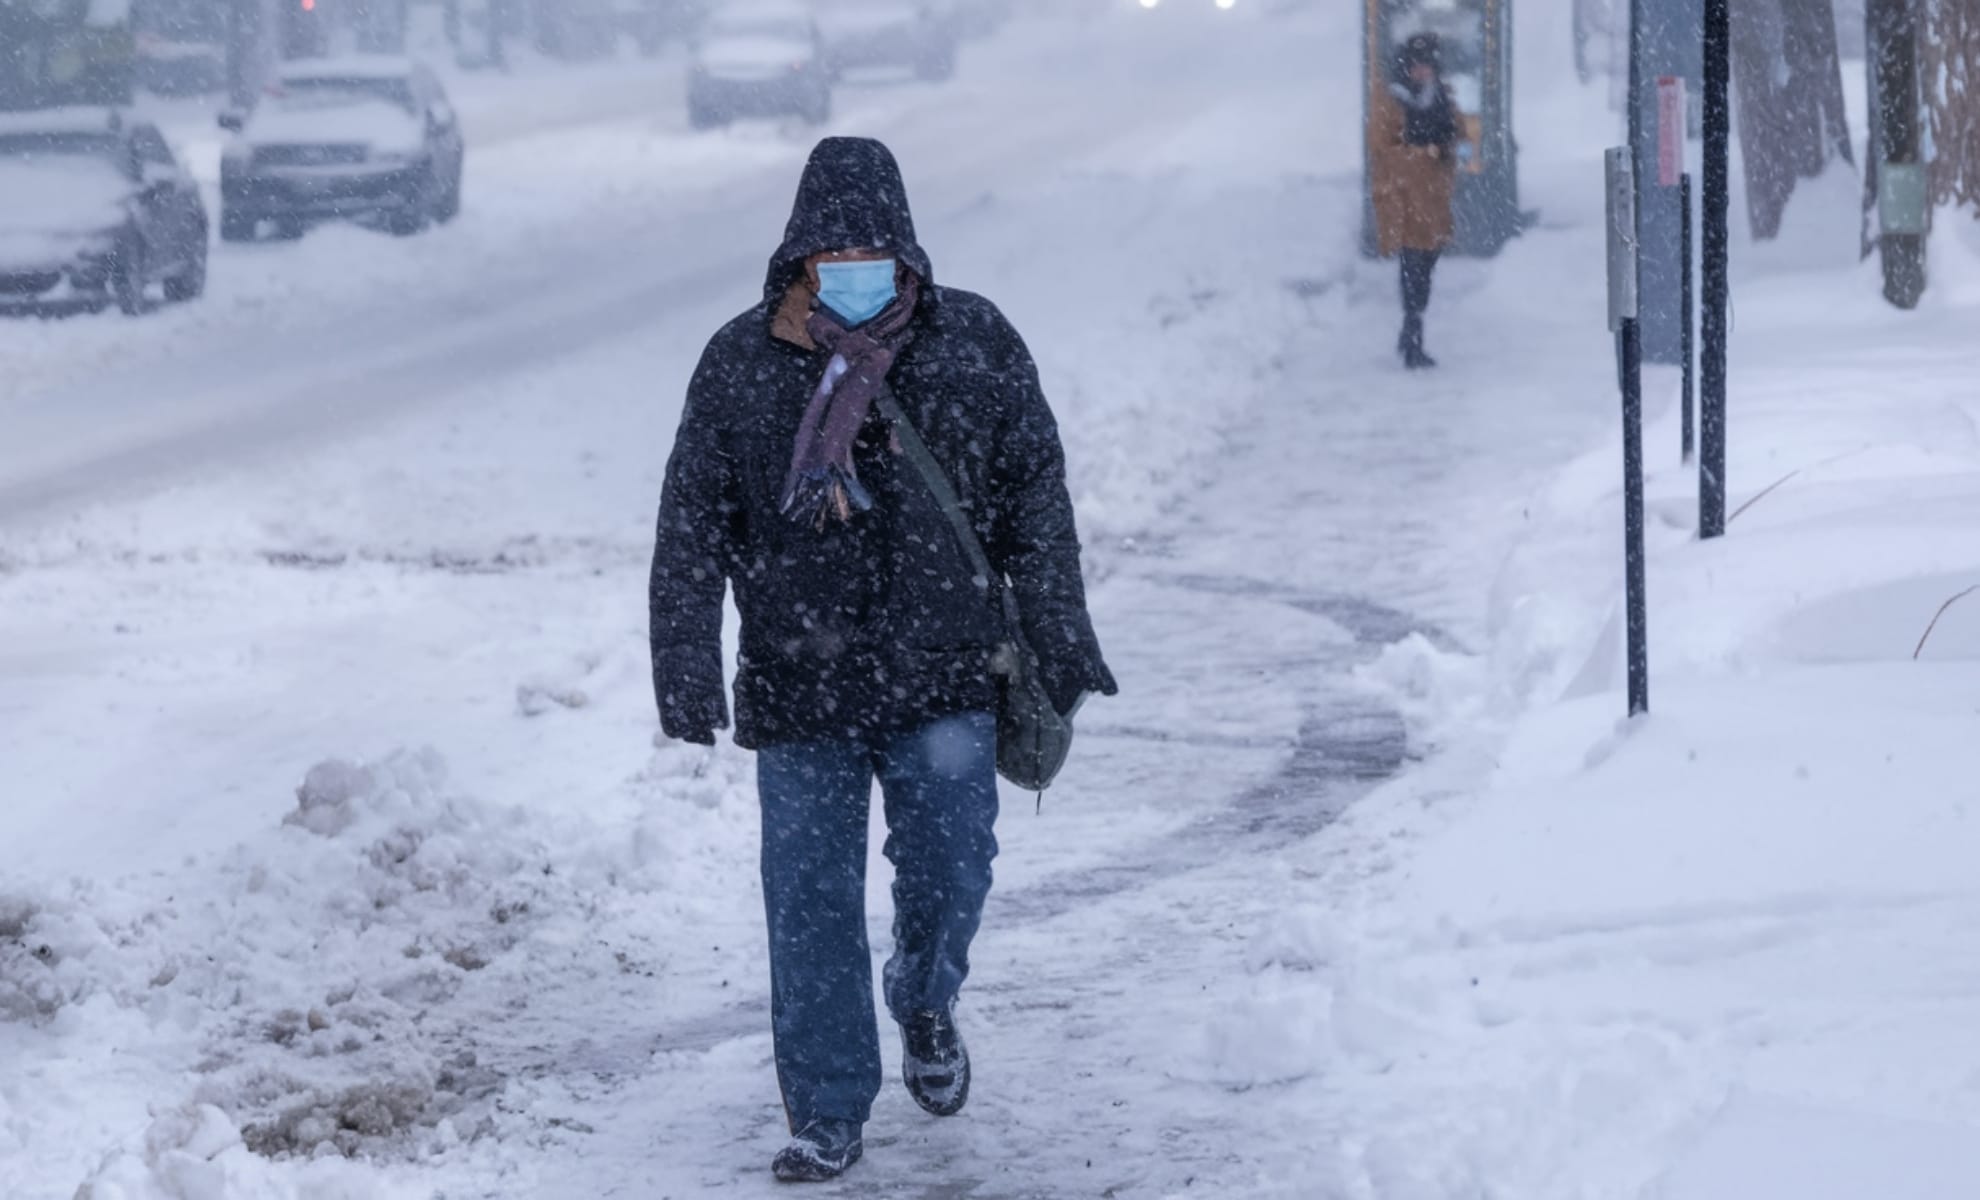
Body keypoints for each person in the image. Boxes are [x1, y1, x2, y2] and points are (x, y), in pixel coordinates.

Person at [647, 136, 1117, 1184]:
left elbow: (1035, 496)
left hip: (939, 671)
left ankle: (925, 993)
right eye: (833, 245)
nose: (852, 260)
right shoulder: (742, 362)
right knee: (808, 901)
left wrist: (1058, 630)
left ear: (904, 247)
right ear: (801, 255)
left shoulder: (973, 342)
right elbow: (691, 523)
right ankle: (825, 1107)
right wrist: (684, 667)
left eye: (872, 243)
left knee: (954, 866)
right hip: (797, 677)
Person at [1370, 31, 1462, 370]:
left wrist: (1445, 148)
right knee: (1412, 270)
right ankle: (1412, 337)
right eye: (1416, 66)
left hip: (1435, 199)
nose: (1422, 73)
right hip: (1405, 200)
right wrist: (1425, 153)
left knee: (1426, 265)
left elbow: (1456, 134)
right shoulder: (1392, 99)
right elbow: (1382, 149)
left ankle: (1409, 331)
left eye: (1427, 66)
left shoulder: (1441, 96)